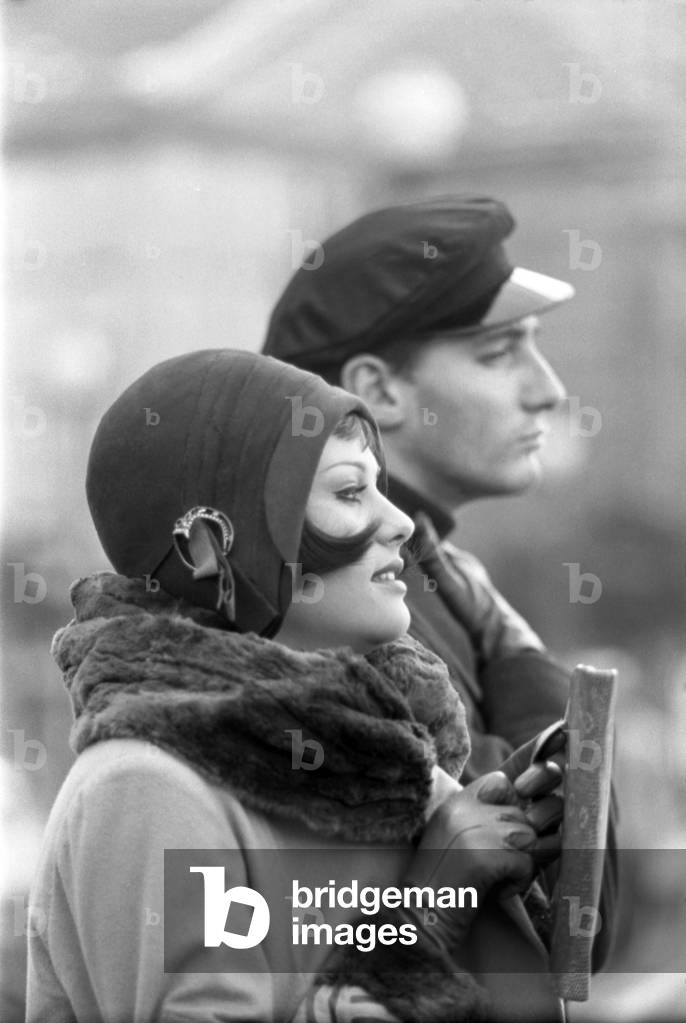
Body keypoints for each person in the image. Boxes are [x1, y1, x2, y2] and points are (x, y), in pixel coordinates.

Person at [27, 349, 567, 1023]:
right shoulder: (145, 788)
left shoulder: (389, 761)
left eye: (380, 486)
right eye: (348, 493)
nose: (398, 522)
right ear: (205, 546)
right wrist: (430, 906)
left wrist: (523, 848)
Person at [263, 196, 618, 968]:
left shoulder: (436, 577)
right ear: (380, 390)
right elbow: (567, 911)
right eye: (500, 353)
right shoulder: (348, 610)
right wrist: (516, 652)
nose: (548, 389)